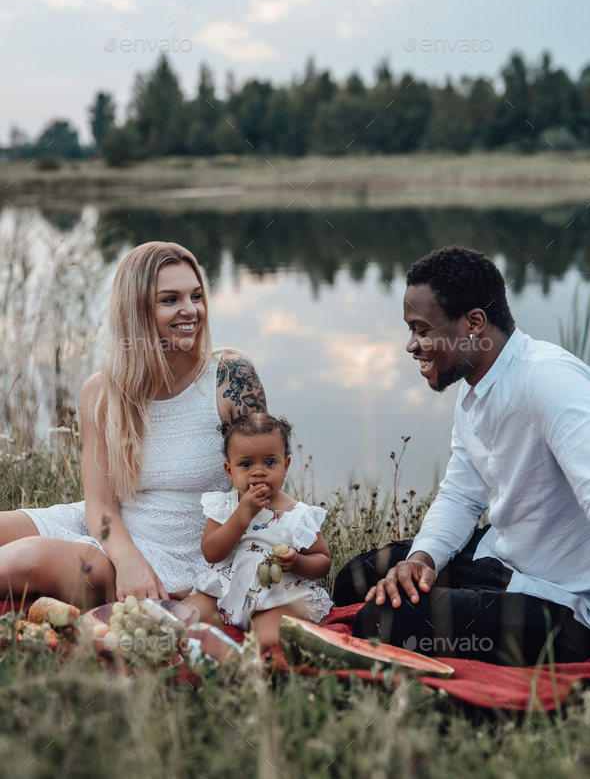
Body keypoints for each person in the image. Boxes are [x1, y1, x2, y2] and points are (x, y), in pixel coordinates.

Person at [334, 246, 590, 666]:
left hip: (559, 599)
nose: (411, 345)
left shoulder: (548, 380)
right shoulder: (475, 388)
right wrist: (420, 560)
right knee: (354, 580)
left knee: (382, 623)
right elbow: (460, 496)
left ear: (474, 323)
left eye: (422, 329)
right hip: (499, 561)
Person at [0, 241, 268, 608]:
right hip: (115, 532)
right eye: (170, 300)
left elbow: (265, 481)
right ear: (137, 310)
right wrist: (126, 557)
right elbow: (102, 504)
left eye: (196, 295)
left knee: (23, 560)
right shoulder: (101, 392)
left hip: (183, 553)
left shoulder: (230, 377)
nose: (190, 310)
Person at [184, 413, 332, 653]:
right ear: (229, 471)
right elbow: (211, 552)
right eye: (246, 464)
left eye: (270, 463)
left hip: (278, 596)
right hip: (226, 589)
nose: (259, 472)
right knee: (182, 616)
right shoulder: (224, 507)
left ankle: (250, 666)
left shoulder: (298, 515)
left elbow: (323, 562)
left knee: (268, 639)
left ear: (286, 466)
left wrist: (298, 562)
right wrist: (242, 515)